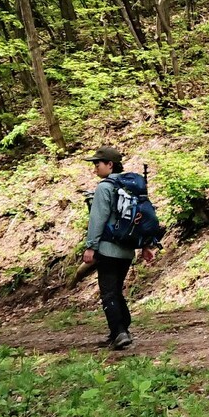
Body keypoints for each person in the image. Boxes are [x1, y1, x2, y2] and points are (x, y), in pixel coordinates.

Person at [82, 147, 154, 350]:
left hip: (107, 249)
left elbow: (97, 219)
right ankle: (119, 331)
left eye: (98, 163)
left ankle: (120, 333)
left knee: (109, 293)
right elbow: (143, 217)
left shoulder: (105, 187)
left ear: (110, 164)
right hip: (127, 250)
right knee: (116, 291)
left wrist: (90, 247)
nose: (95, 167)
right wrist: (146, 245)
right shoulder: (130, 186)